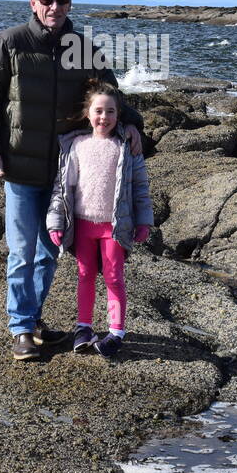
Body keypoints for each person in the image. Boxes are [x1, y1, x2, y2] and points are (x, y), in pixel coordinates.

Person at [0, 0, 145, 362]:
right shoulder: (9, 43)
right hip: (19, 170)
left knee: (49, 252)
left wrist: (132, 123)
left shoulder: (82, 49)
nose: (55, 7)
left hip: (65, 175)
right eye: (47, 0)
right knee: (20, 252)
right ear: (33, 3)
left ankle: (34, 321)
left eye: (62, 1)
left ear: (70, 3)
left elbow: (109, 95)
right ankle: (20, 329)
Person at [46, 80, 153, 359]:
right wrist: (55, 222)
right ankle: (84, 327)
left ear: (119, 115)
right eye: (98, 111)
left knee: (114, 277)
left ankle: (116, 331)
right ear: (88, 113)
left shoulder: (125, 147)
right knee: (84, 275)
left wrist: (144, 221)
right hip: (82, 224)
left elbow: (140, 187)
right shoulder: (75, 146)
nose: (103, 117)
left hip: (114, 226)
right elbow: (61, 188)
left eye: (110, 112)